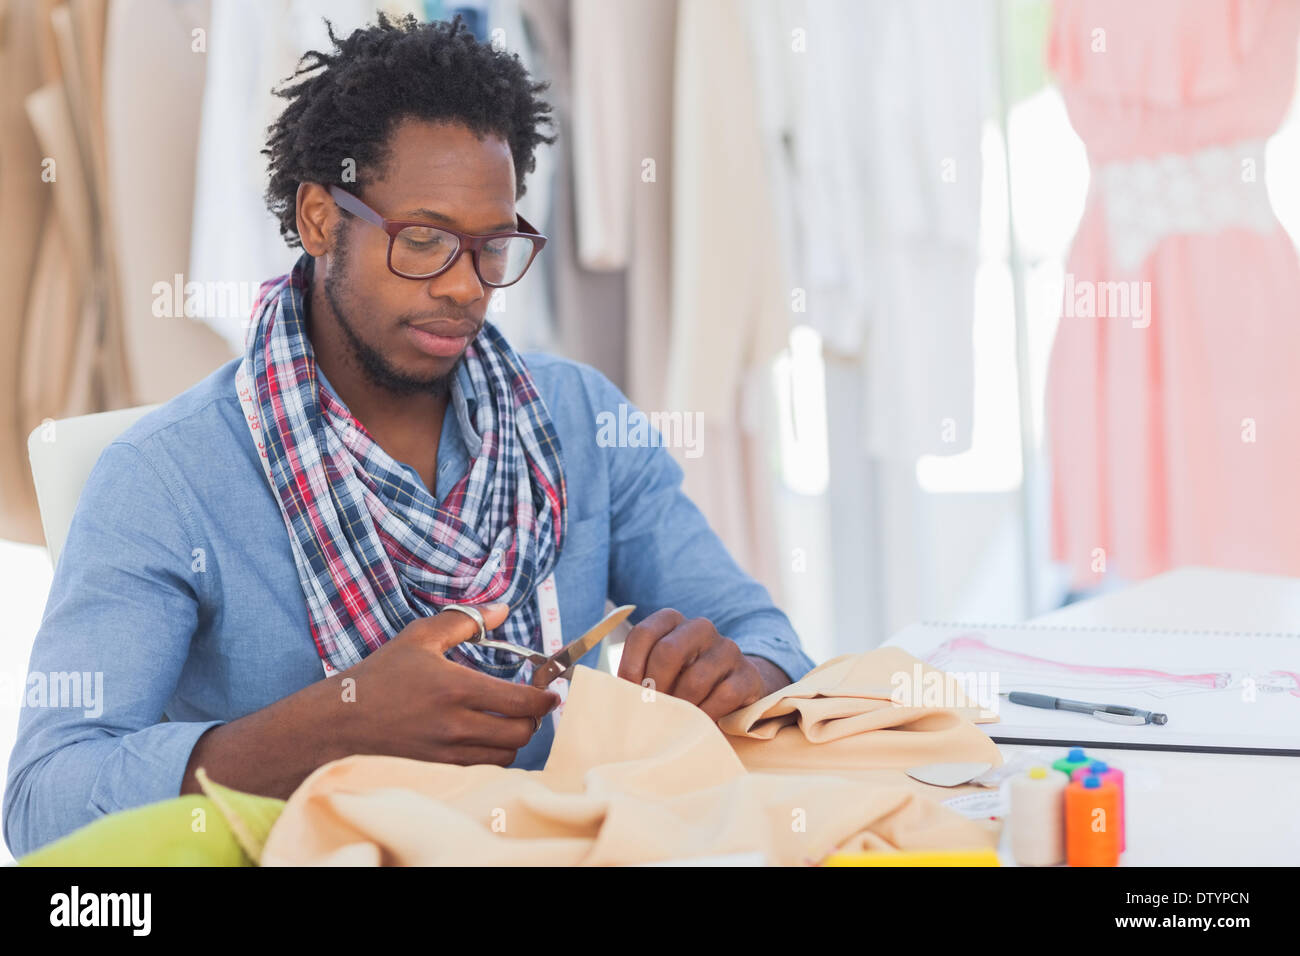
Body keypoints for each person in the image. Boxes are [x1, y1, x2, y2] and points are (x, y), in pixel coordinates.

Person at [3, 13, 813, 858]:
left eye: (492, 247)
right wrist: (335, 727)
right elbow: (43, 798)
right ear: (320, 220)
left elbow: (767, 637)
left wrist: (738, 672)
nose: (466, 287)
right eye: (424, 241)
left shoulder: (579, 422)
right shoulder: (168, 478)